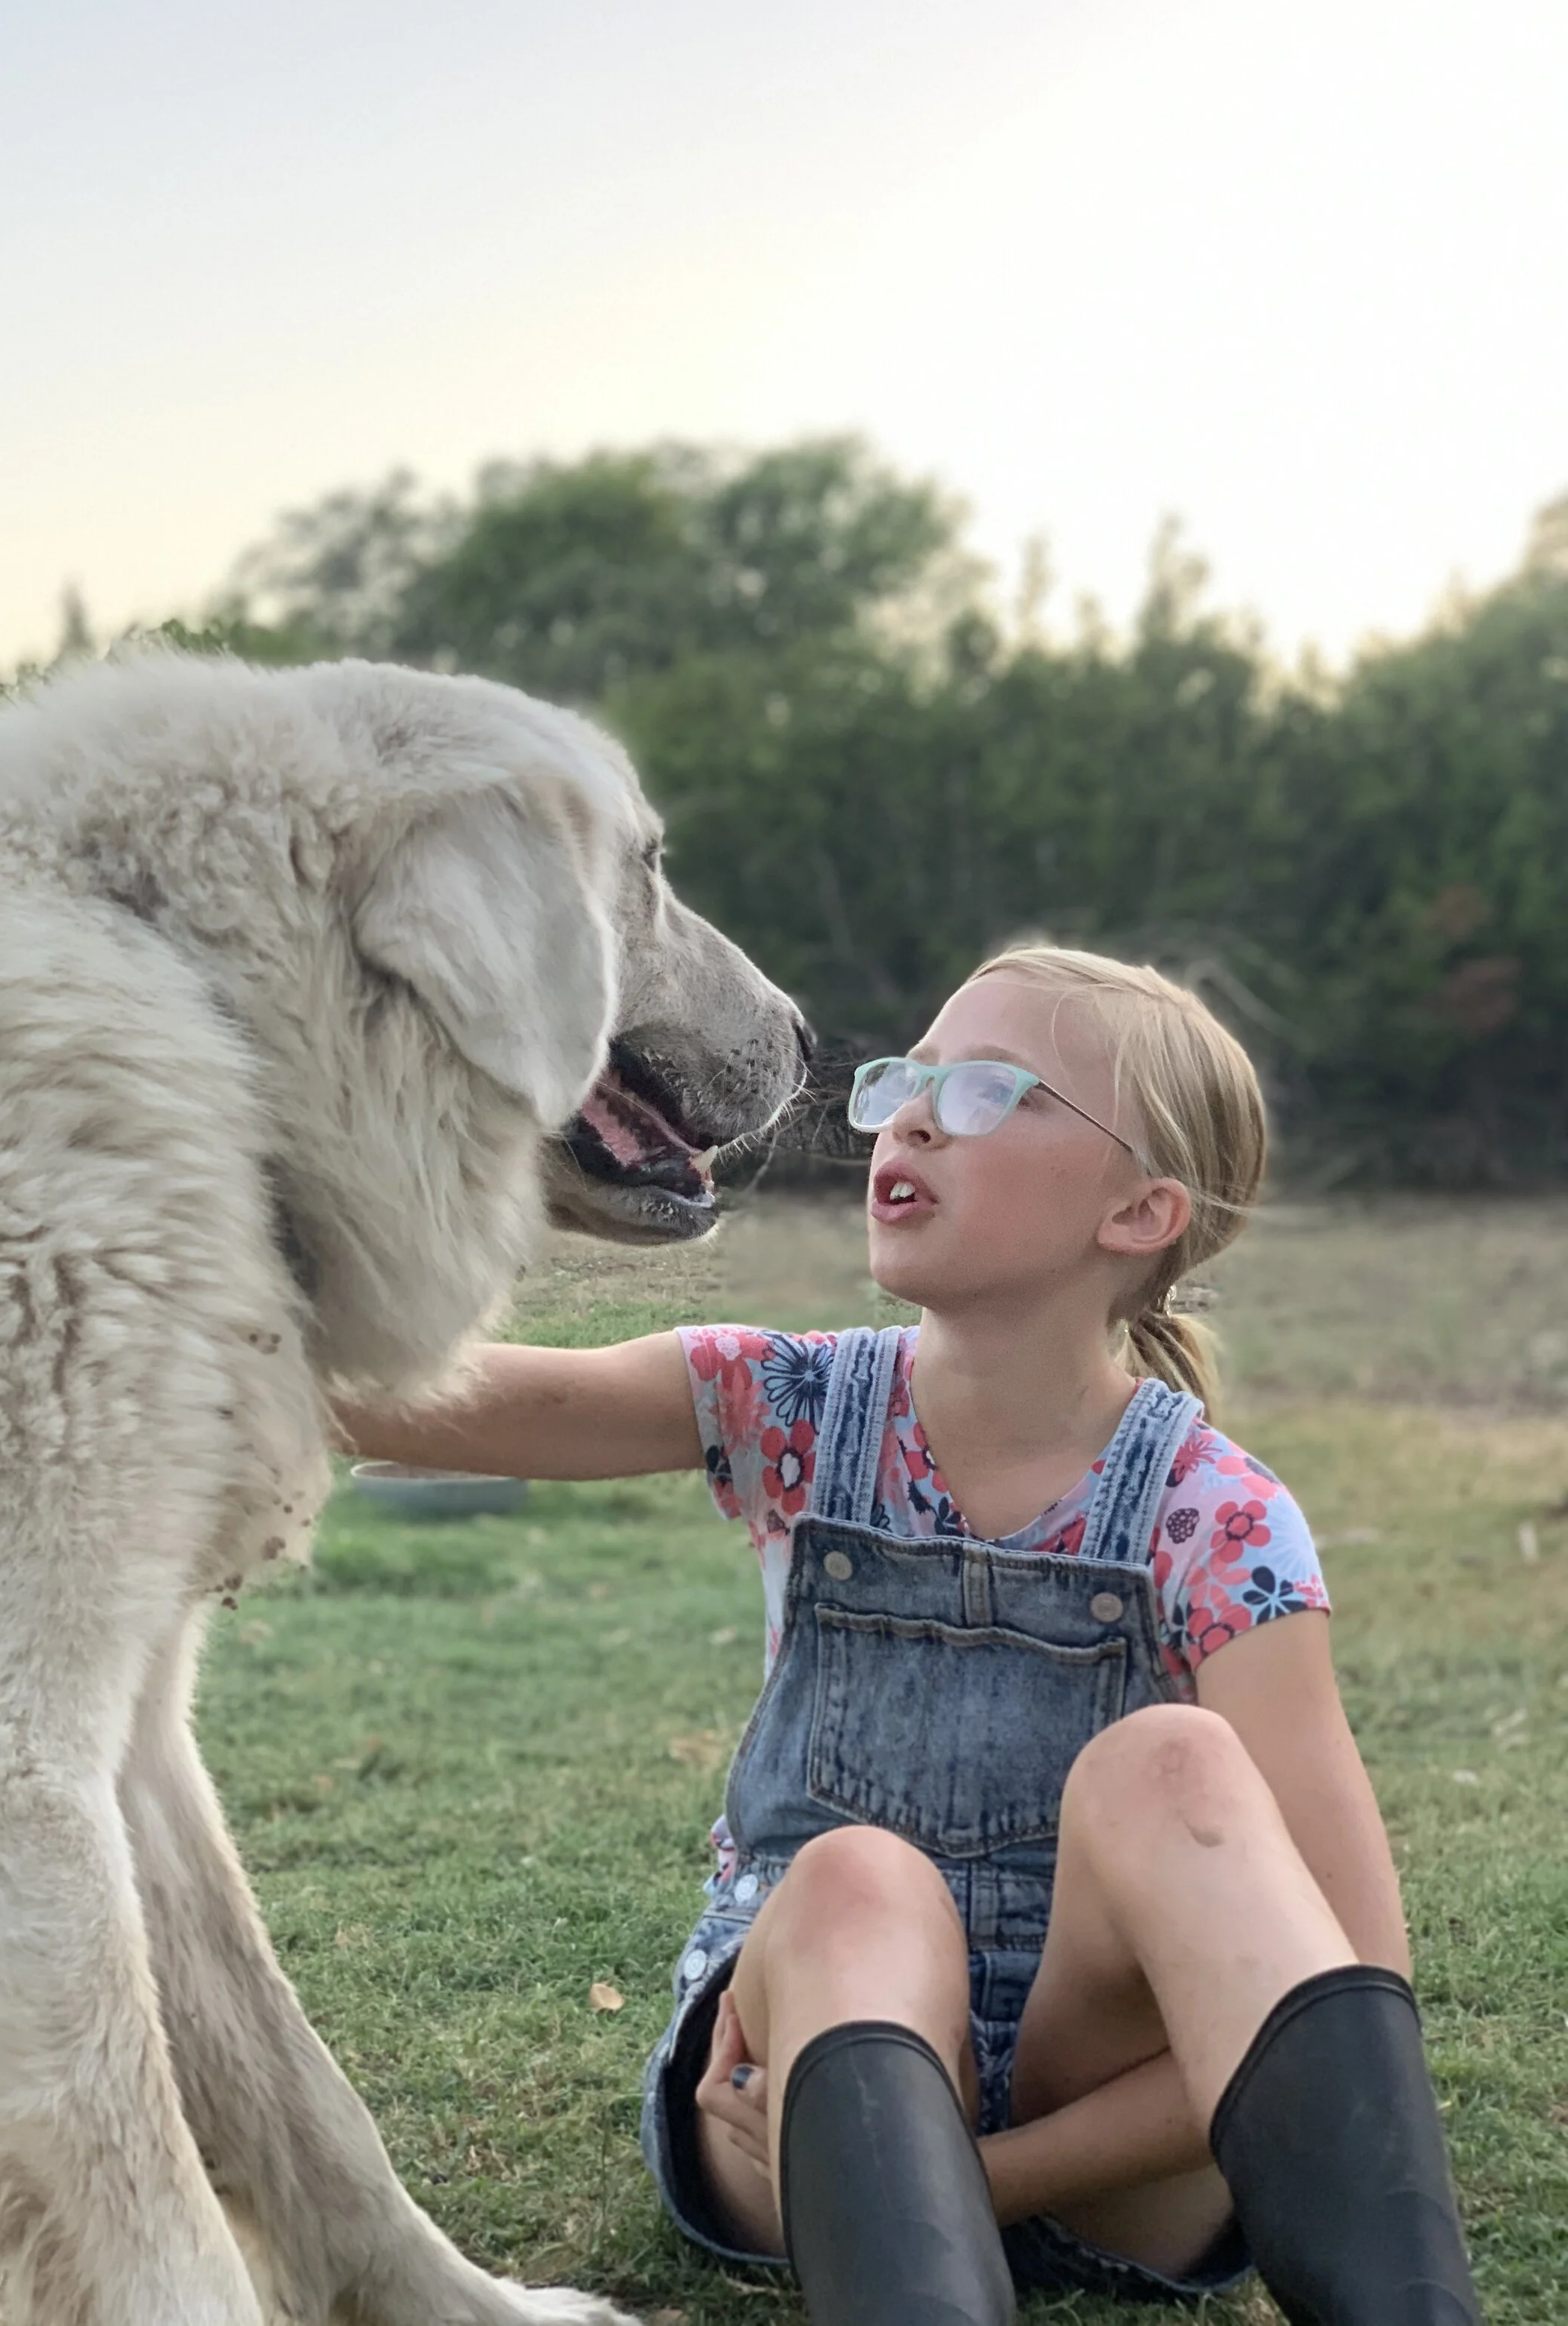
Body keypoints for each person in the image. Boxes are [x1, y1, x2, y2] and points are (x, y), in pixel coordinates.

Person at [337, 946, 1483, 2326]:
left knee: (1174, 1765)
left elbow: (1343, 1977)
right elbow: (411, 1398)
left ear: (1141, 1211)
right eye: (907, 1083)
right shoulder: (788, 1405)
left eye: (993, 1092)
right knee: (855, 1880)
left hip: (1108, 2137)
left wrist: (986, 2176)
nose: (913, 1117)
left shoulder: (1219, 1517)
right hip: (804, 2109)